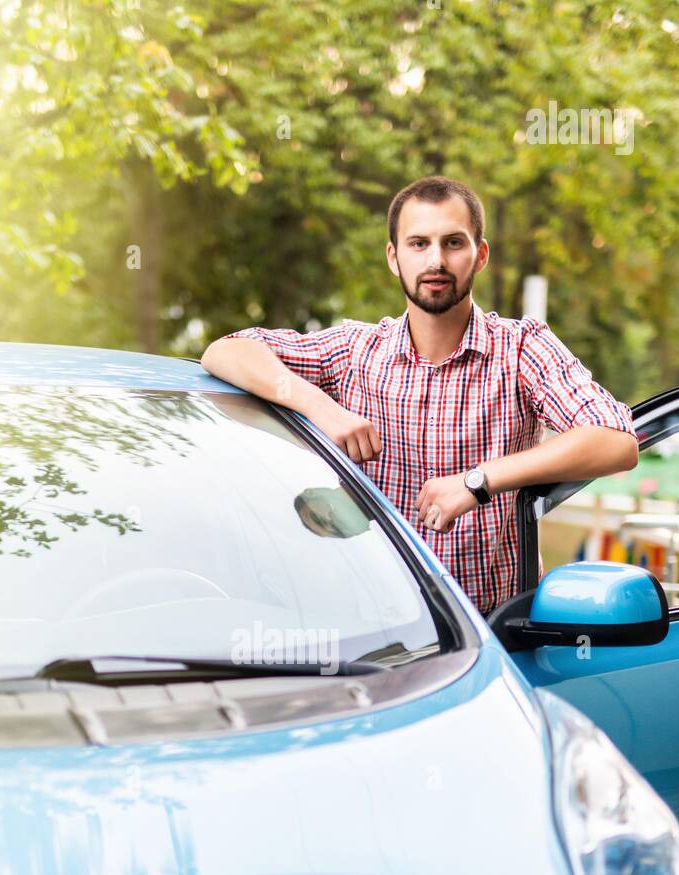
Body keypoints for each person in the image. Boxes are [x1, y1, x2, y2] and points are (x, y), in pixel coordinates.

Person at [200, 175, 638, 617]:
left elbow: (616, 439)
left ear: (479, 254)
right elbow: (225, 350)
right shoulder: (355, 351)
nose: (435, 260)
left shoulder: (521, 349)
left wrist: (479, 480)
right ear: (394, 257)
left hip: (491, 636)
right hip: (371, 633)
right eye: (418, 244)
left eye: (453, 243)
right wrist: (318, 404)